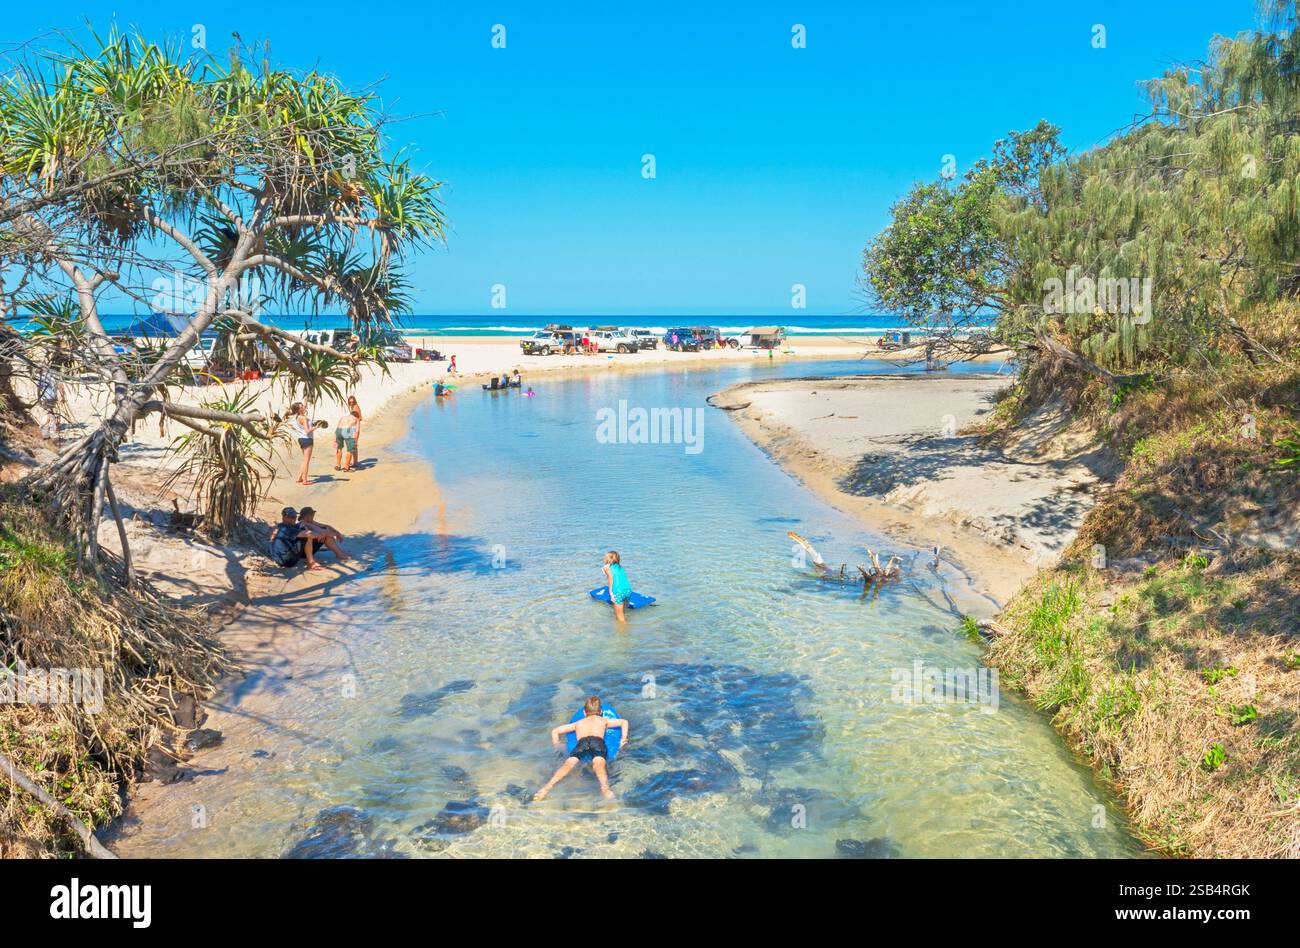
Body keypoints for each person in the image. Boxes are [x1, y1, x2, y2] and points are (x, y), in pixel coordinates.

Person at [534, 696, 629, 801]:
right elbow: (624, 722)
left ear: (584, 713)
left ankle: (546, 788)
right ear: (601, 711)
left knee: (569, 764)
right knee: (599, 763)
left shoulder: (578, 723)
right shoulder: (603, 720)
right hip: (597, 742)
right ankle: (605, 788)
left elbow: (555, 731)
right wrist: (623, 740)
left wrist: (557, 744)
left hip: (581, 743)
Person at [603, 550, 633, 623]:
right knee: (623, 612)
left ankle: (623, 632)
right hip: (628, 590)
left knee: (621, 619)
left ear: (607, 559)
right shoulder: (621, 567)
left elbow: (610, 579)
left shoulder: (607, 568)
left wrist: (611, 593)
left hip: (618, 591)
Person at [36, 366, 64, 441]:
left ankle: (47, 430)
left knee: (47, 413)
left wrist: (38, 396)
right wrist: (62, 396)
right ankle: (51, 428)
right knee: (49, 411)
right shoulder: (53, 376)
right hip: (53, 397)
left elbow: (39, 388)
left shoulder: (41, 377)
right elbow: (60, 386)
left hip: (45, 397)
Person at [291, 403, 315, 485]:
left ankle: (299, 478)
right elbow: (308, 431)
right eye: (302, 407)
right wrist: (317, 427)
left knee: (304, 460)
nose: (304, 407)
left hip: (301, 439)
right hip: (307, 439)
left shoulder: (298, 417)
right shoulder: (303, 418)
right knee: (306, 461)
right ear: (299, 409)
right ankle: (305, 480)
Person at [347, 395, 363, 460]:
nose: (351, 403)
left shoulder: (356, 407)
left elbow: (360, 418)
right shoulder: (352, 407)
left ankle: (355, 462)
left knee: (354, 445)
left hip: (355, 428)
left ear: (355, 402)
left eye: (353, 402)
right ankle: (355, 461)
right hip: (353, 428)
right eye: (350, 402)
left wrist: (355, 426)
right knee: (354, 445)